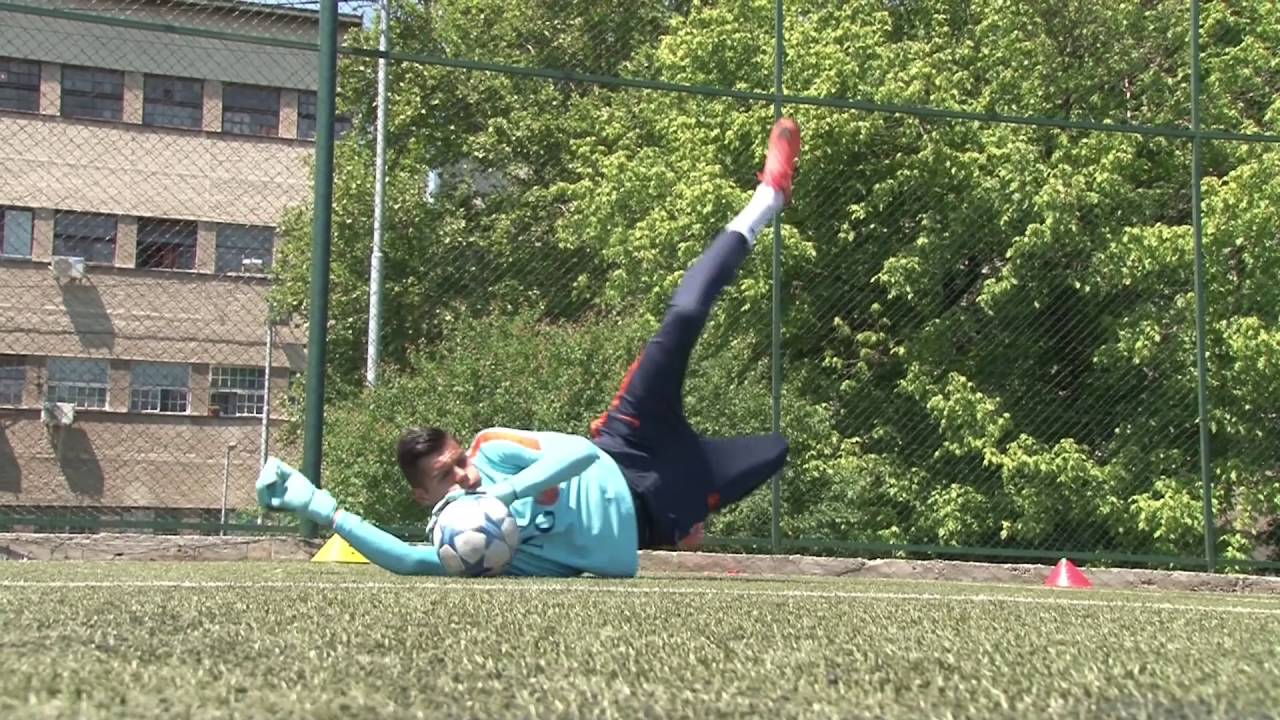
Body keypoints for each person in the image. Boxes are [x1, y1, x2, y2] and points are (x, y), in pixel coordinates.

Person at [256, 117, 801, 577]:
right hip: (659, 512)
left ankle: (767, 197)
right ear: (424, 496)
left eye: (458, 461)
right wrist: (321, 507)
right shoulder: (466, 543)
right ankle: (691, 512)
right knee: (777, 450)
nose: (464, 474)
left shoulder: (493, 450)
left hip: (629, 442)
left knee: (682, 316)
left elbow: (580, 454)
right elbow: (405, 559)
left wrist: (507, 493)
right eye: (445, 475)